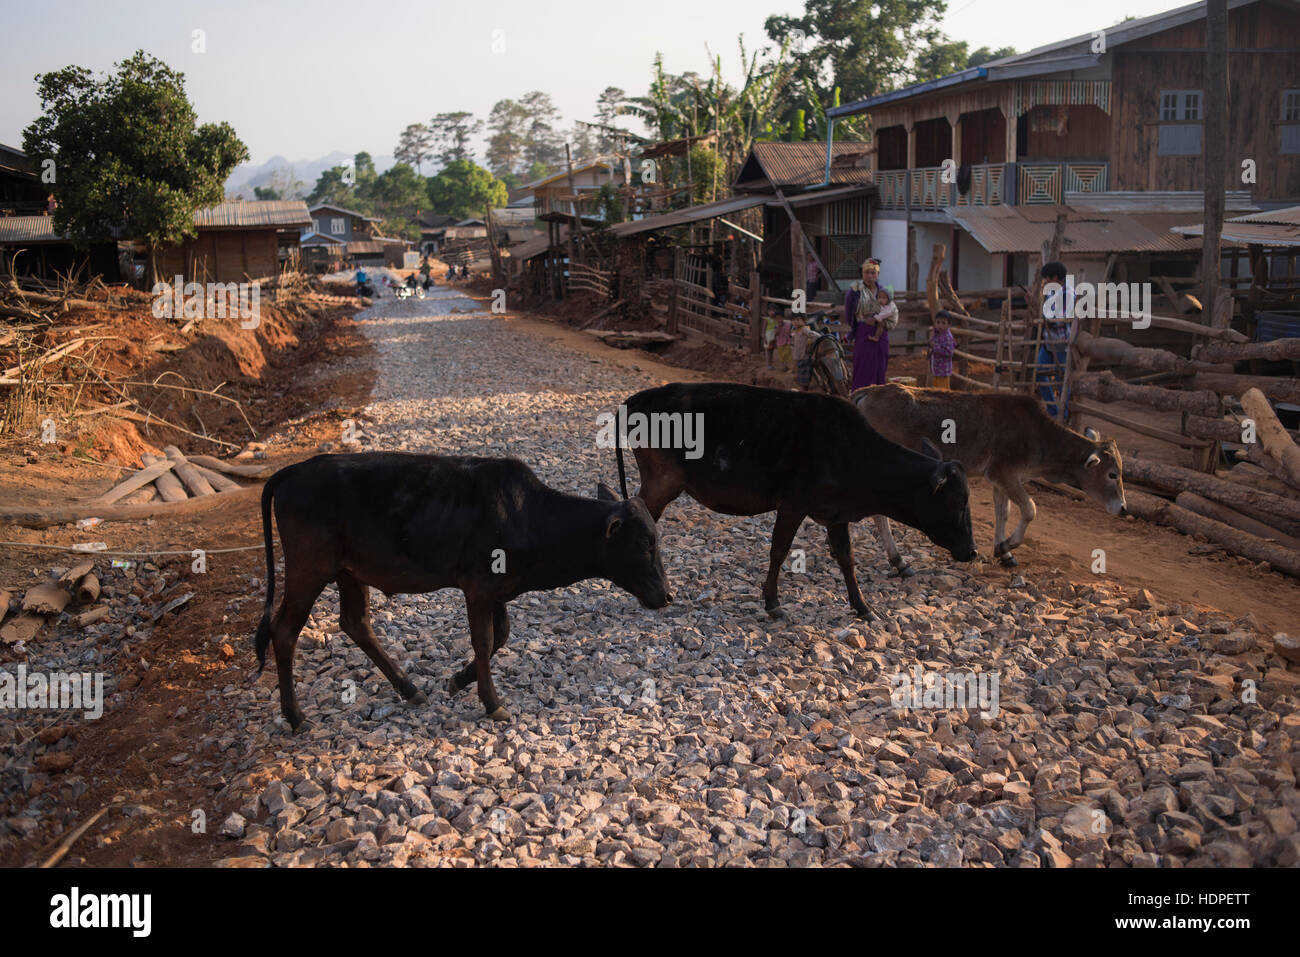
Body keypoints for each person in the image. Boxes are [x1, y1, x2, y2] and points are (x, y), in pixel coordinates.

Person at [846, 259, 894, 389]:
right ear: (862, 274)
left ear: (877, 274)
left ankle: (878, 398)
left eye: (873, 273)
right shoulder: (855, 291)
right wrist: (860, 325)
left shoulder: (884, 292)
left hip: (880, 333)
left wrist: (880, 322)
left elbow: (892, 310)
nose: (870, 276)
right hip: (863, 333)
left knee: (880, 365)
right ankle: (859, 397)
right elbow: (849, 313)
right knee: (863, 365)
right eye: (866, 272)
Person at [1037, 260, 1075, 417]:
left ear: (1055, 277)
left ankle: (1064, 413)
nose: (1045, 281)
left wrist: (1049, 320)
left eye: (1047, 278)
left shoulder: (1068, 293)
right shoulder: (1052, 292)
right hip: (1049, 341)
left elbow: (1063, 318)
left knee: (1063, 378)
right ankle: (1053, 410)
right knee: (1039, 372)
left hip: (1062, 342)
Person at [928, 310, 956, 390]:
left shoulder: (948, 337)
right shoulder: (936, 334)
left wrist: (935, 347)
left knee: (943, 392)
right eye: (938, 322)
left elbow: (949, 352)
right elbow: (931, 343)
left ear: (949, 325)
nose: (940, 325)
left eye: (943, 323)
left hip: (943, 371)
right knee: (936, 389)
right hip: (936, 369)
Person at [791, 314, 815, 389]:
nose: (795, 322)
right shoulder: (795, 330)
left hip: (805, 356)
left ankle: (804, 389)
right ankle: (803, 388)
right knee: (800, 373)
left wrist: (809, 344)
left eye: (798, 320)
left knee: (804, 374)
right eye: (793, 320)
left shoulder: (805, 329)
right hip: (799, 356)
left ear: (804, 321)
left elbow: (813, 336)